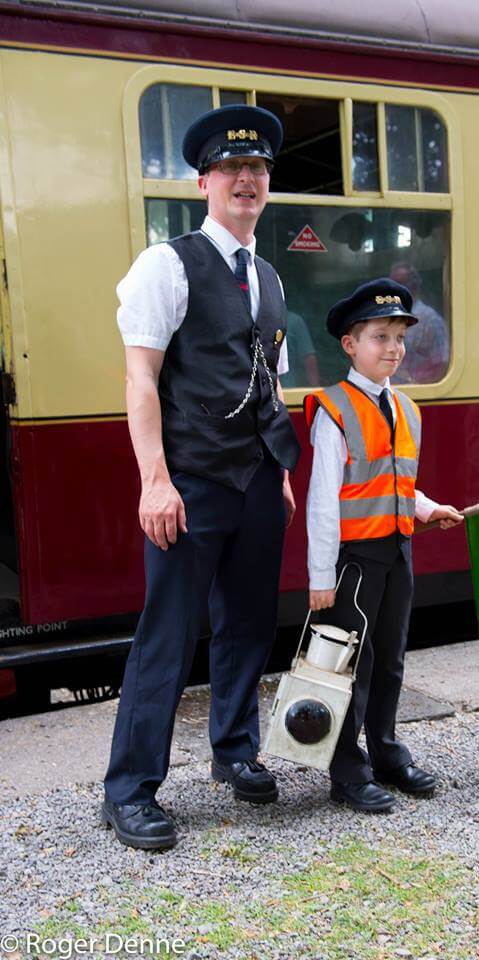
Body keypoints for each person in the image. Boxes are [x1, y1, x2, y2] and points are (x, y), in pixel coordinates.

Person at [102, 104, 301, 850]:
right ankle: (129, 789)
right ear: (204, 182)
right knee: (169, 630)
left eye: (258, 169)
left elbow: (269, 384)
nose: (246, 179)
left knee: (248, 623)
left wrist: (281, 471)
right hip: (190, 482)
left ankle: (235, 751)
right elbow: (140, 380)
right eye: (232, 168)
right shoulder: (167, 264)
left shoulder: (270, 278)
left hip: (258, 481)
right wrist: (155, 481)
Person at [304, 278, 463, 812]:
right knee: (350, 664)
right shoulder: (334, 410)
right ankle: (347, 771)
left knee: (390, 658)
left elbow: (394, 482)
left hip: (397, 551)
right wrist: (320, 577)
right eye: (380, 337)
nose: (393, 348)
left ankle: (386, 752)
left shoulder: (407, 409)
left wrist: (427, 508)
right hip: (353, 561)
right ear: (350, 345)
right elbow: (323, 501)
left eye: (399, 338)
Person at [389, 262, 450, 384]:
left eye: (400, 283)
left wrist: (415, 380)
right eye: (391, 285)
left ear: (414, 286)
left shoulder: (431, 320)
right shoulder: (387, 320)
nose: (394, 290)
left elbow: (441, 363)